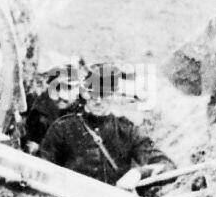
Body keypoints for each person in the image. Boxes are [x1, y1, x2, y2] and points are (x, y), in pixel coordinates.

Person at [34, 63, 174, 189]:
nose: (98, 101)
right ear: (84, 93)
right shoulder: (62, 129)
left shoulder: (127, 130)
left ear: (114, 95)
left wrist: (139, 173)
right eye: (93, 94)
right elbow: (40, 169)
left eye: (105, 94)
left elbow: (167, 166)